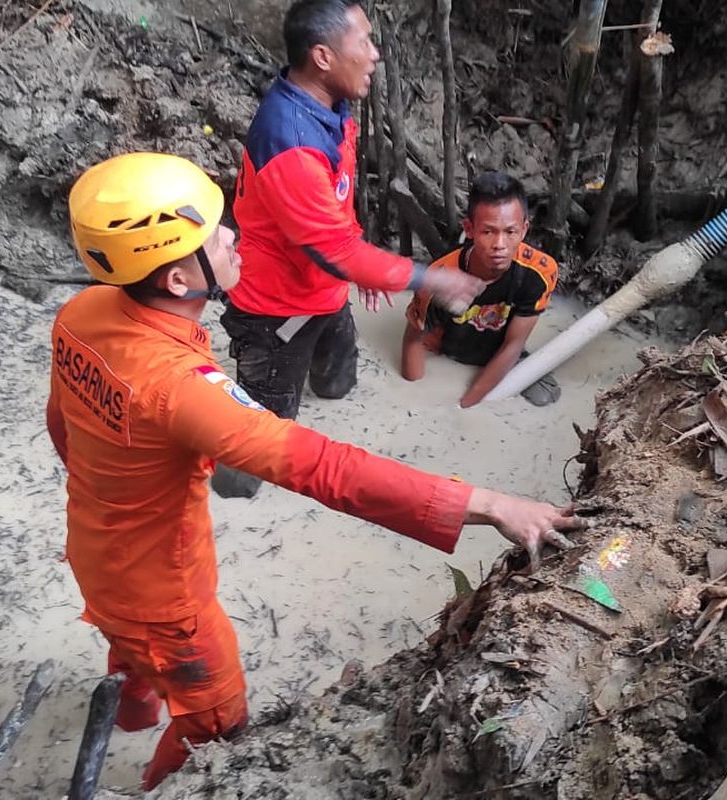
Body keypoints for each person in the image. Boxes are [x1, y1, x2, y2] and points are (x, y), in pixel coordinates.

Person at [46, 152, 584, 790]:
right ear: (175, 280)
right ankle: (155, 784)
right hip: (167, 598)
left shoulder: (84, 314)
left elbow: (63, 428)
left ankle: (133, 708)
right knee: (217, 725)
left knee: (134, 653)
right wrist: (490, 503)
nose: (231, 237)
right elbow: (325, 468)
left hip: (93, 547)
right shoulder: (180, 390)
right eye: (212, 236)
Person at [214, 0, 482, 498]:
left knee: (336, 383)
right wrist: (429, 277)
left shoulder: (330, 106)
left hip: (324, 288)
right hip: (275, 311)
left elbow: (335, 205)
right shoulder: (290, 140)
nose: (375, 54)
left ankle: (321, 389)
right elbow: (333, 247)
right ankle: (231, 494)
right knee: (254, 443)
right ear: (322, 56)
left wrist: (363, 267)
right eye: (363, 42)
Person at [401, 172, 562, 408]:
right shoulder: (441, 277)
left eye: (510, 232)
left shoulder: (540, 271)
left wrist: (464, 406)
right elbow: (413, 339)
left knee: (546, 396)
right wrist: (414, 400)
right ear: (469, 228)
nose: (499, 245)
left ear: (524, 230)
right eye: (488, 232)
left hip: (498, 349)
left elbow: (513, 344)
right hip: (445, 350)